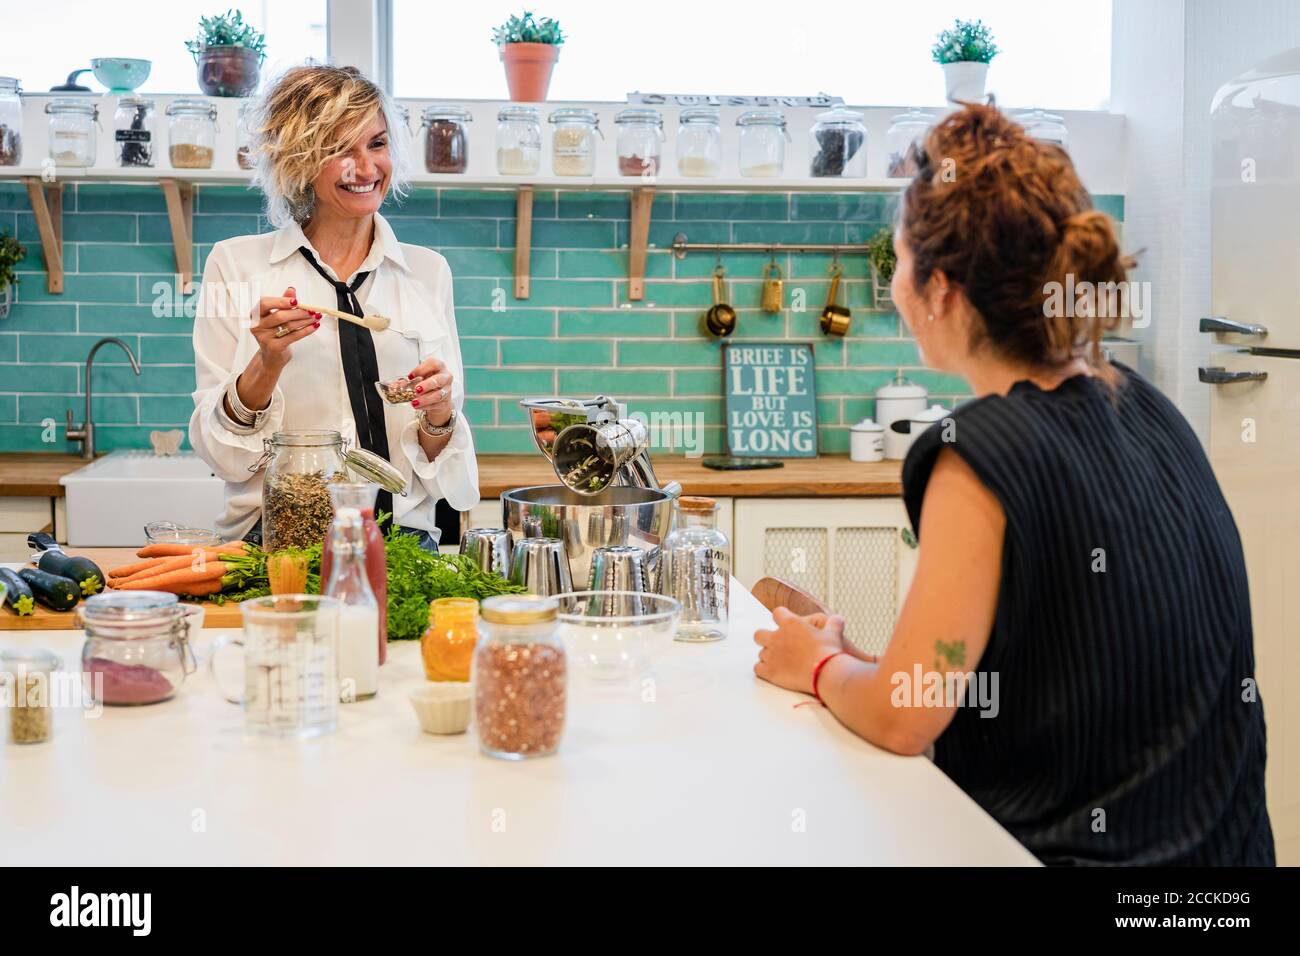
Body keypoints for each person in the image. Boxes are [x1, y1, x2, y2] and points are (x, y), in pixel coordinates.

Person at [753, 103, 1274, 866]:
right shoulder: (1146, 405)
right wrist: (861, 659)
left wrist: (819, 668)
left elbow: (907, 720)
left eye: (897, 263)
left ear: (942, 290)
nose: (895, 289)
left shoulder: (977, 451)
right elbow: (1033, 683)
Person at [189, 64, 477, 547]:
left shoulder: (428, 274)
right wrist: (268, 362)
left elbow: (436, 462)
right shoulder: (236, 266)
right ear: (298, 160)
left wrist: (439, 413)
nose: (365, 169)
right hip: (278, 543)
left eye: (377, 144)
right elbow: (223, 456)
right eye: (339, 149)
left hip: (404, 542)